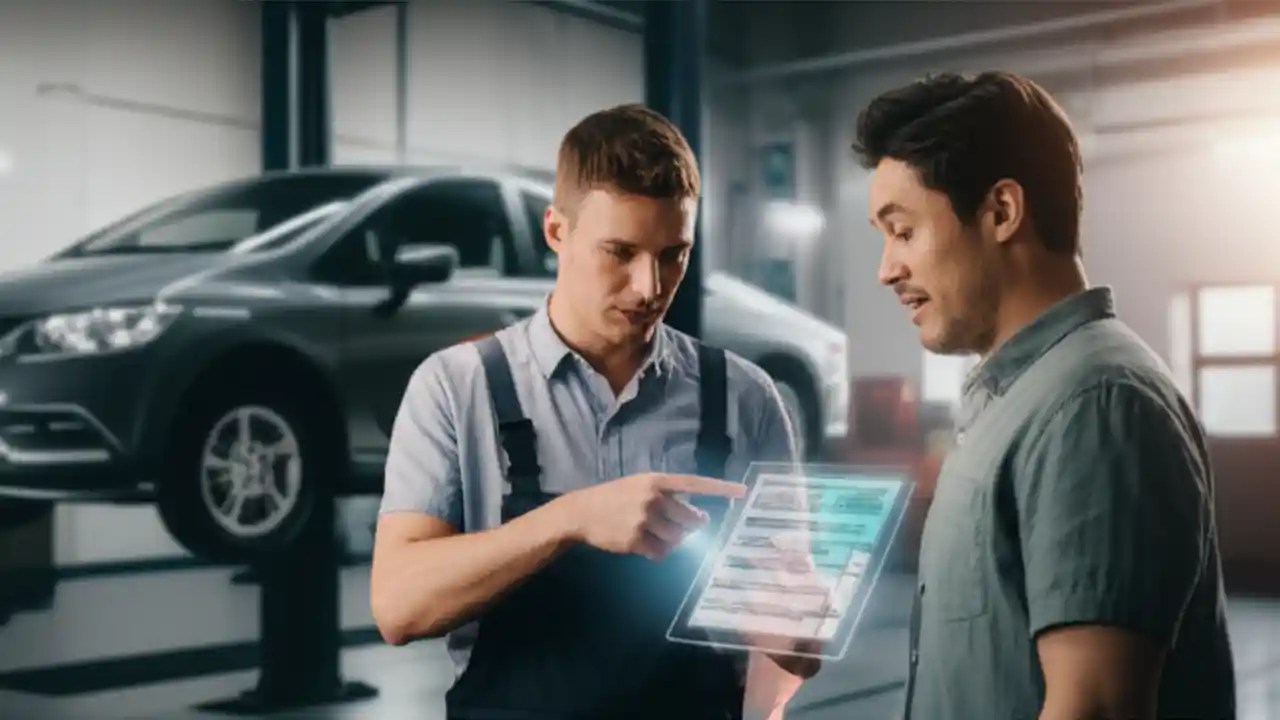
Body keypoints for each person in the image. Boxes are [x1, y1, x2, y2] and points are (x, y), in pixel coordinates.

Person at [371, 104, 819, 720]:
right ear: (557, 231)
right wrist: (570, 519)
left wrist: (799, 635)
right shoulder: (455, 388)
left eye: (673, 254)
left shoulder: (747, 399)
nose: (649, 286)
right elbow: (398, 607)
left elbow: (786, 649)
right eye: (621, 252)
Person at [854, 71, 1236, 720]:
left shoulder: (1096, 404)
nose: (886, 268)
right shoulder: (1017, 399)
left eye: (904, 231)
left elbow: (1095, 707)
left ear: (1001, 211)